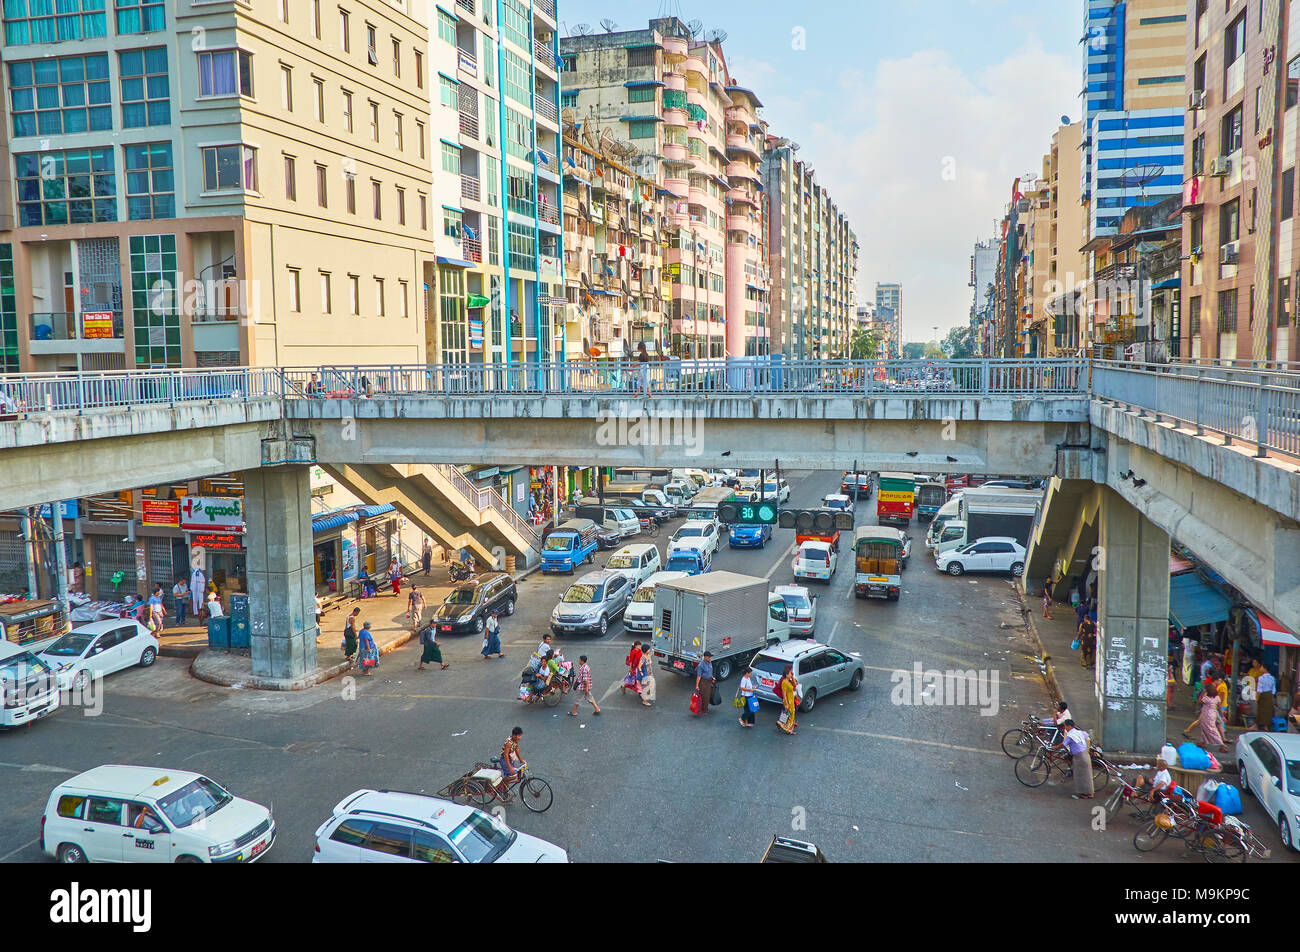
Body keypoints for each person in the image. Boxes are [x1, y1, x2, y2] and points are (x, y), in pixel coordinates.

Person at [1054, 719, 1094, 800]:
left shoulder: (1070, 735)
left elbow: (1063, 744)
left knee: (1080, 775)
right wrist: (1087, 748)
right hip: (1085, 754)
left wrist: (1054, 747)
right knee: (1087, 775)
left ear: (1069, 726)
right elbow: (1088, 738)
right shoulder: (1079, 732)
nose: (1065, 727)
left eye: (1065, 726)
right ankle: (1090, 793)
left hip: (1079, 757)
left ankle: (1083, 794)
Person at [1195, 680, 1228, 753]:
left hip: (1206, 715)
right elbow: (1219, 707)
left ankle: (1221, 744)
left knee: (1210, 730)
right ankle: (1203, 742)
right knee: (1206, 728)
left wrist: (1203, 693)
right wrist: (1222, 716)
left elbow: (1199, 701)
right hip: (1213, 714)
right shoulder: (1216, 698)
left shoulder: (1207, 698)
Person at [499, 727, 526, 796]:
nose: (520, 737)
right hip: (505, 760)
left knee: (511, 774)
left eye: (520, 735)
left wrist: (521, 760)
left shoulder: (515, 741)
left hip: (510, 759)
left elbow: (517, 750)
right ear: (514, 735)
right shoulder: (509, 743)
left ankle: (505, 790)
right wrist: (510, 767)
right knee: (513, 776)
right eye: (519, 735)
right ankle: (502, 783)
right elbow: (505, 755)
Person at [777, 663, 798, 735]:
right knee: (790, 714)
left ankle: (789, 728)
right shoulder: (784, 682)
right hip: (788, 700)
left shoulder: (789, 680)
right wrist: (786, 703)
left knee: (791, 714)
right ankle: (786, 727)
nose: (791, 673)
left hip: (791, 699)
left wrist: (792, 677)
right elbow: (784, 693)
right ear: (786, 674)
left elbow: (795, 685)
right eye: (790, 672)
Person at [1256, 665, 1277, 731]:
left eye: (1262, 667)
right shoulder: (1272, 678)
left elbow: (1259, 690)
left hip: (1263, 695)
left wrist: (1256, 698)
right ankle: (1266, 726)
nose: (1260, 668)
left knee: (1261, 710)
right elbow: (1274, 689)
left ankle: (1259, 725)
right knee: (1268, 711)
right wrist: (1272, 697)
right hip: (1270, 695)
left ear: (1265, 669)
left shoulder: (1261, 678)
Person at [694, 651, 715, 717]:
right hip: (703, 682)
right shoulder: (701, 665)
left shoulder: (710, 662)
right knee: (704, 696)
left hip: (709, 681)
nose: (710, 658)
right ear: (705, 657)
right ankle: (703, 710)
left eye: (710, 657)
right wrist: (697, 685)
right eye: (709, 657)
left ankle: (705, 708)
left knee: (710, 694)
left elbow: (709, 671)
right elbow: (699, 676)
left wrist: (712, 678)